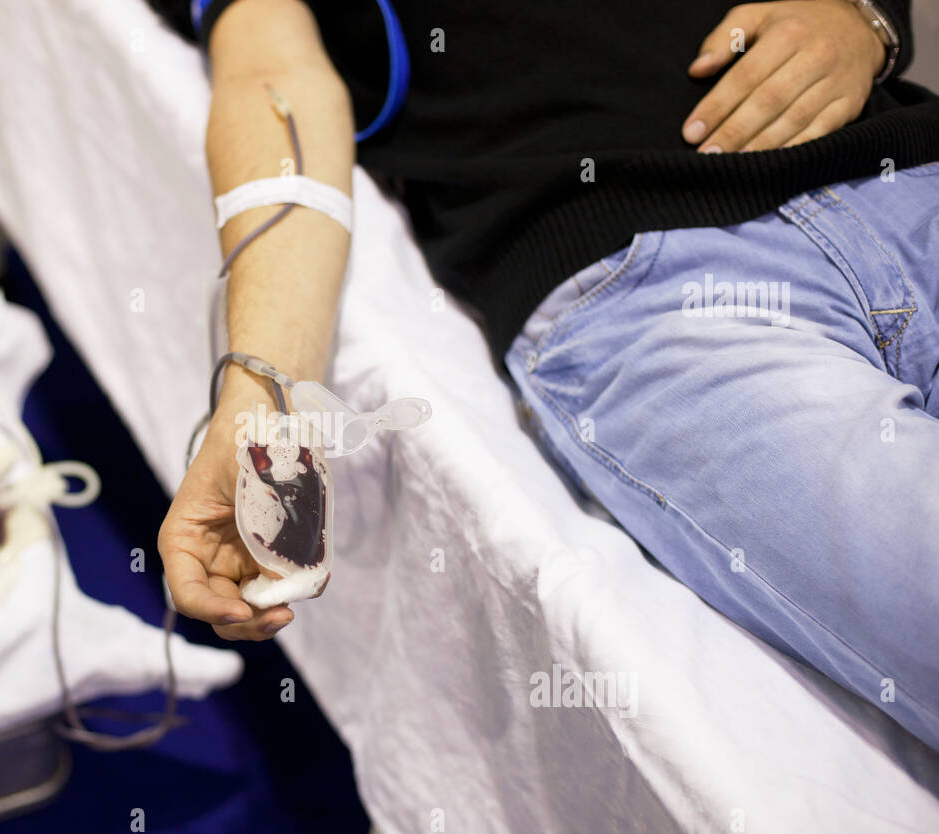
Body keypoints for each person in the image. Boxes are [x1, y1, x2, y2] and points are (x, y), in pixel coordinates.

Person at [150, 0, 939, 748]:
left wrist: (864, 16)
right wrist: (264, 403)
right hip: (647, 284)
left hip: (910, 161)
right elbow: (272, 80)